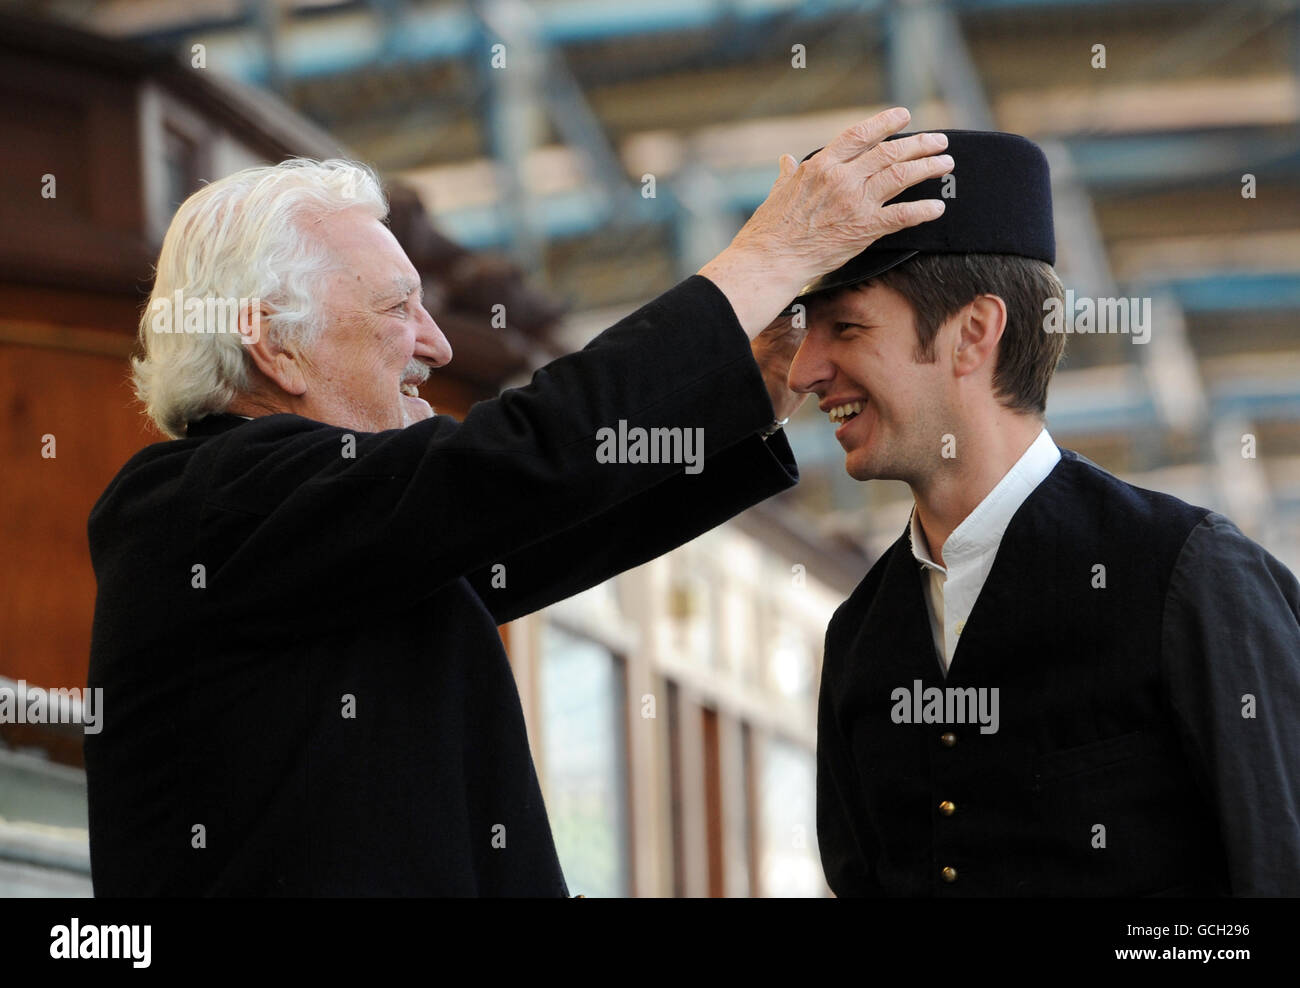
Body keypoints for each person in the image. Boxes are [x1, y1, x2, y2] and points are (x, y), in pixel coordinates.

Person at [84, 108, 954, 895]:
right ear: (272, 342)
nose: (430, 340)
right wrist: (768, 261)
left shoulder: (331, 545)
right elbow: (520, 461)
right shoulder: (199, 506)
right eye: (397, 309)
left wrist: (745, 395)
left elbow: (546, 518)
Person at [796, 129, 1300, 897]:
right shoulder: (861, 634)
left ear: (974, 333)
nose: (806, 370)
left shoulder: (1188, 574)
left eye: (847, 327)